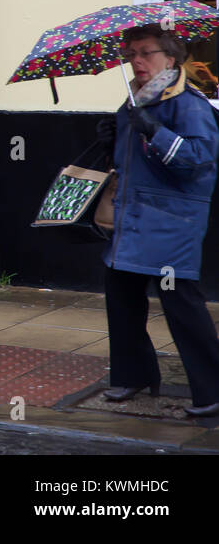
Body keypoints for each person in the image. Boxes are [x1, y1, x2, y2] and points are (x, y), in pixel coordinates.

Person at [95, 24, 219, 416]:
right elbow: (129, 160)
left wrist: (153, 131)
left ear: (170, 57)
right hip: (131, 219)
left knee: (182, 305)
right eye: (131, 53)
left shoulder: (189, 104)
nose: (136, 60)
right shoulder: (137, 99)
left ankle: (212, 390)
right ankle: (133, 376)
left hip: (170, 223)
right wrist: (112, 134)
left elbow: (197, 161)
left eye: (146, 52)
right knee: (121, 294)